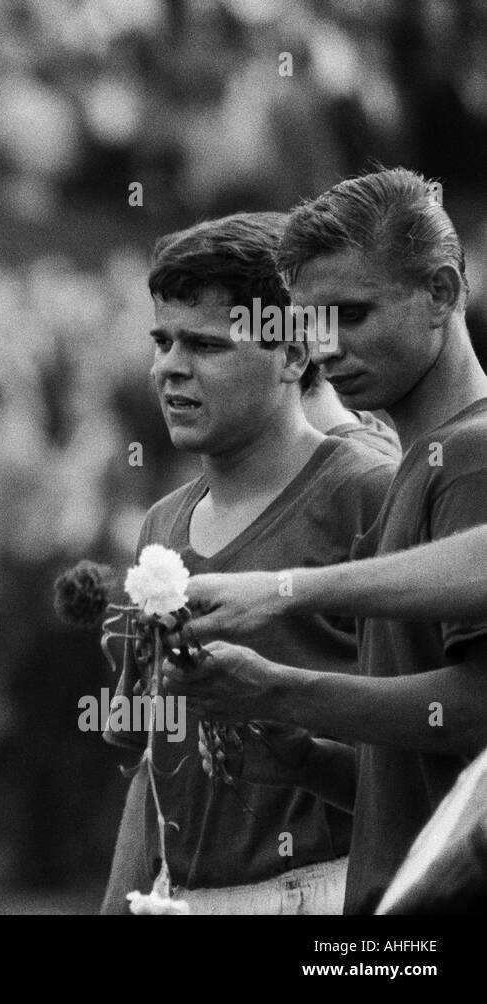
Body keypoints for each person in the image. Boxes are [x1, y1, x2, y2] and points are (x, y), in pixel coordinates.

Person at [164, 168, 487, 913]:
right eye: (311, 320)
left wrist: (283, 689)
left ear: (440, 294)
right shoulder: (421, 462)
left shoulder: (470, 459)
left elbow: (476, 708)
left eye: (353, 313)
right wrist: (305, 757)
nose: (326, 346)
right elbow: (434, 777)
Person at [101, 212, 397, 915]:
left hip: (328, 888)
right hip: (181, 895)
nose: (170, 365)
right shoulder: (163, 523)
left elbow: (434, 751)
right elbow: (153, 760)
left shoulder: (369, 493)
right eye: (163, 340)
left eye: (206, 344)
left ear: (294, 356)